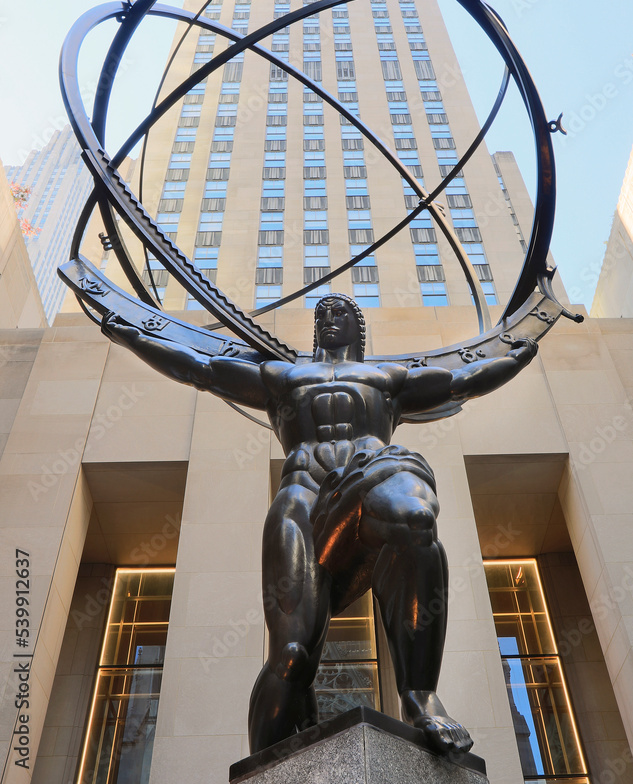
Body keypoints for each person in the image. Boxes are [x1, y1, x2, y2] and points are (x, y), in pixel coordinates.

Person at [102, 293, 537, 756]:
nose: (329, 317)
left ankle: (420, 695)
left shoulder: (387, 378)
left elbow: (462, 381)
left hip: (369, 480)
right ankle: (264, 767)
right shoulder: (282, 376)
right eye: (322, 312)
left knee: (415, 518)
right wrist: (131, 337)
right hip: (302, 494)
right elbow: (200, 369)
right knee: (292, 657)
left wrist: (520, 353)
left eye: (340, 311)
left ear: (358, 327)